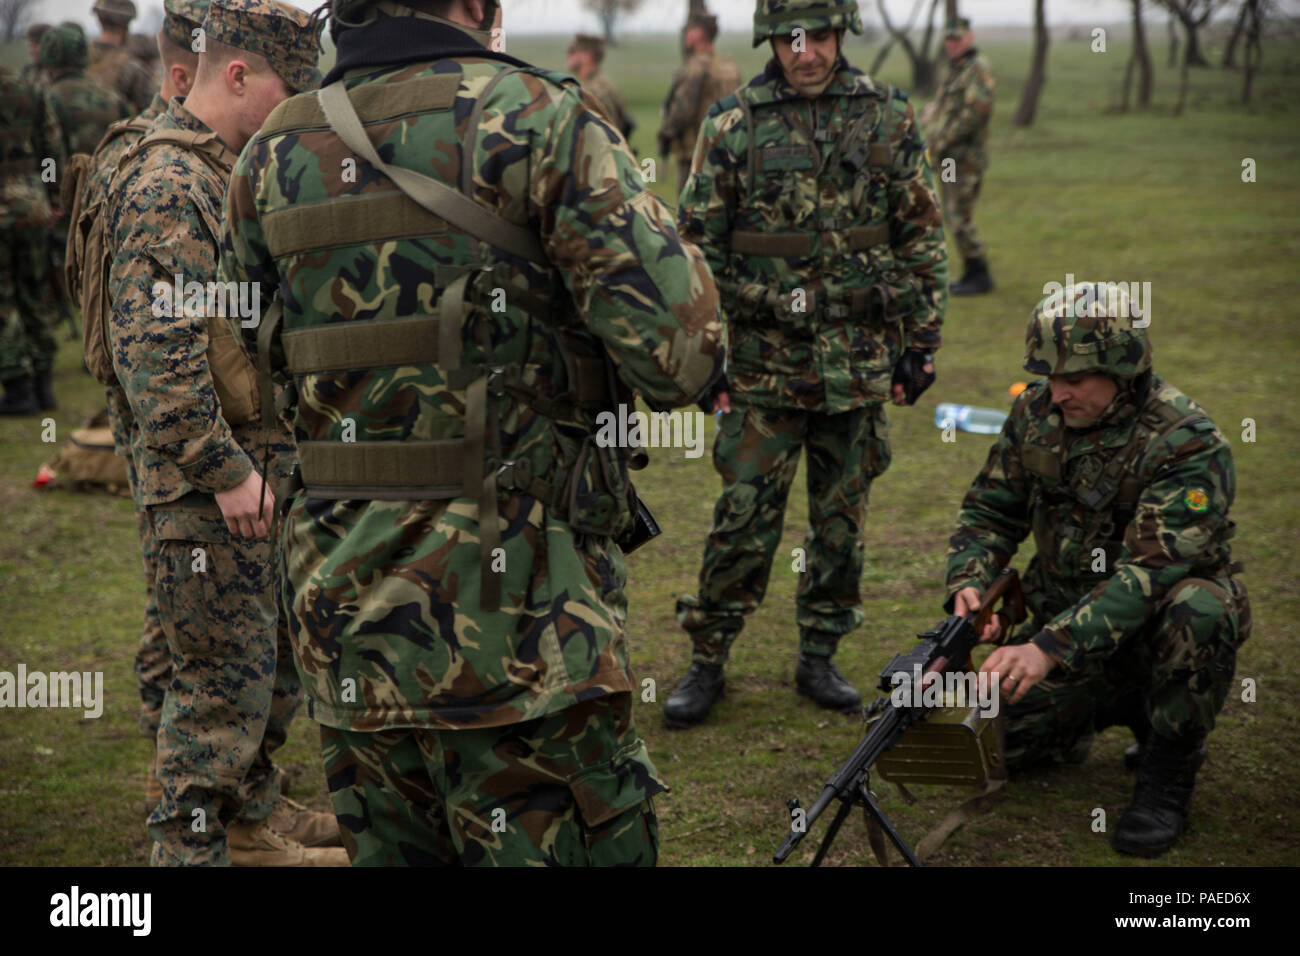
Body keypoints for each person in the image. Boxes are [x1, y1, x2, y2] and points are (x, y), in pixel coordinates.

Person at [220, 0, 724, 866]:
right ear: (479, 7)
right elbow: (681, 356)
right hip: (523, 633)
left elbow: (245, 363)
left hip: (345, 634)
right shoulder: (541, 117)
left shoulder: (269, 152)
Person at [104, 0, 343, 866]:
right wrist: (225, 467)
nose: (292, 113)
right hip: (208, 492)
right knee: (212, 703)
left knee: (251, 676)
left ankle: (250, 820)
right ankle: (196, 846)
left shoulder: (212, 167)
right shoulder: (172, 185)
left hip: (233, 478)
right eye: (285, 91)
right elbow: (157, 359)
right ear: (237, 74)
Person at [664, 0, 948, 728]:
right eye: (792, 39)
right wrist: (708, 359)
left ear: (838, 35)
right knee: (742, 517)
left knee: (841, 524)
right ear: (772, 41)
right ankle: (708, 659)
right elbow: (696, 252)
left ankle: (820, 652)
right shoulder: (734, 123)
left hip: (857, 369)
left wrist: (921, 343)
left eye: (818, 37)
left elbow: (920, 235)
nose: (806, 54)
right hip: (762, 372)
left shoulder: (888, 116)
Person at [947, 281, 1250, 857]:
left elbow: (1154, 570)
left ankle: (1168, 770)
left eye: (1074, 379)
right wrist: (969, 581)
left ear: (1123, 371)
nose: (1056, 393)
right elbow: (990, 510)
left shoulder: (1187, 442)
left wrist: (1046, 647)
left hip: (1147, 632)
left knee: (1202, 608)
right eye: (1049, 376)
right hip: (1062, 625)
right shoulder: (1034, 413)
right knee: (982, 748)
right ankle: (1098, 711)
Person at [0, 66, 63, 416]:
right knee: (35, 292)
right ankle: (44, 383)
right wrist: (52, 194)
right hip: (32, 205)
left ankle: (18, 388)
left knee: (4, 300)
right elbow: (50, 147)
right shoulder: (29, 88)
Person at [919, 17, 995, 295]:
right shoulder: (956, 69)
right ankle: (971, 272)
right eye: (948, 40)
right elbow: (944, 106)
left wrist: (941, 138)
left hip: (964, 158)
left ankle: (980, 274)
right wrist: (928, 115)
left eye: (957, 39)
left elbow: (975, 114)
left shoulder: (977, 69)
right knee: (952, 214)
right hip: (948, 159)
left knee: (959, 215)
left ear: (970, 38)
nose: (952, 45)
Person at [657, 13, 741, 192]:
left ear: (699, 34)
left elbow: (681, 112)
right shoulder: (729, 66)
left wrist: (666, 134)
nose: (686, 34)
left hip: (696, 154)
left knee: (690, 212)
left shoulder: (694, 68)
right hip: (728, 151)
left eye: (690, 30)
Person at [88, 0, 157, 113]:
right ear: (125, 27)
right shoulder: (133, 69)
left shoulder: (79, 59)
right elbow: (149, 114)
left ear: (99, 21)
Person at [566, 33, 635, 140]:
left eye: (572, 51)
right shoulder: (602, 85)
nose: (568, 54)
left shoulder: (592, 92)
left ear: (587, 57)